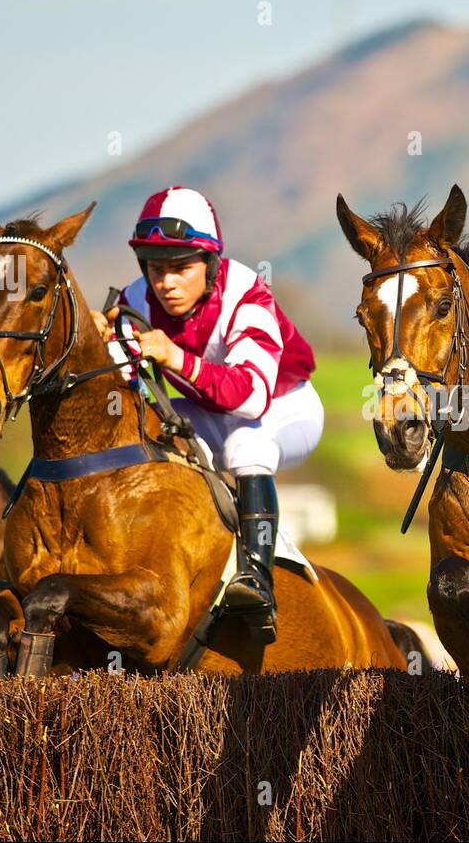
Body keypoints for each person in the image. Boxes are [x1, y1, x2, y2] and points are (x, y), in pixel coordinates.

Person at [92, 186, 321, 644]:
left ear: (210, 263)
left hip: (285, 407)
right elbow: (125, 393)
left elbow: (252, 397)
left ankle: (258, 582)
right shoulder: (135, 302)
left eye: (180, 268)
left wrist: (175, 357)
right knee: (148, 440)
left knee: (245, 443)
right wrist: (96, 343)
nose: (166, 283)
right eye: (156, 269)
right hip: (207, 409)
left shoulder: (247, 295)